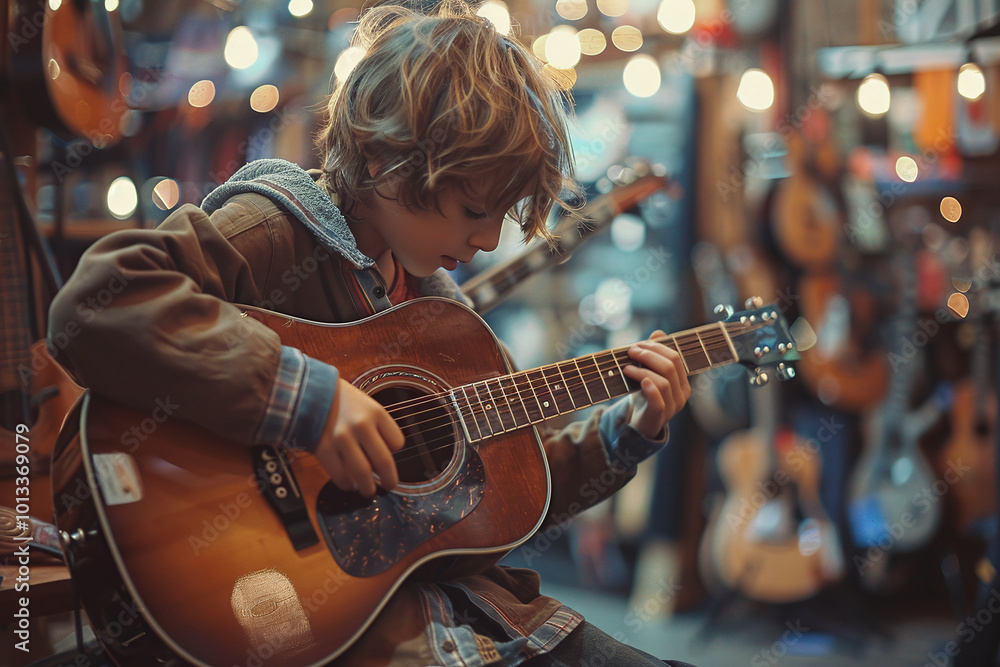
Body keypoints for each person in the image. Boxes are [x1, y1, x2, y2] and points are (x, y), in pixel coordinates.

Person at [47, 1, 694, 665]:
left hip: (440, 611)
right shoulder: (279, 229)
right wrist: (308, 401)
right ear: (390, 159)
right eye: (475, 208)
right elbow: (96, 304)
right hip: (290, 606)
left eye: (502, 215)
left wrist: (628, 429)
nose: (489, 238)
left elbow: (516, 493)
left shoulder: (446, 324)